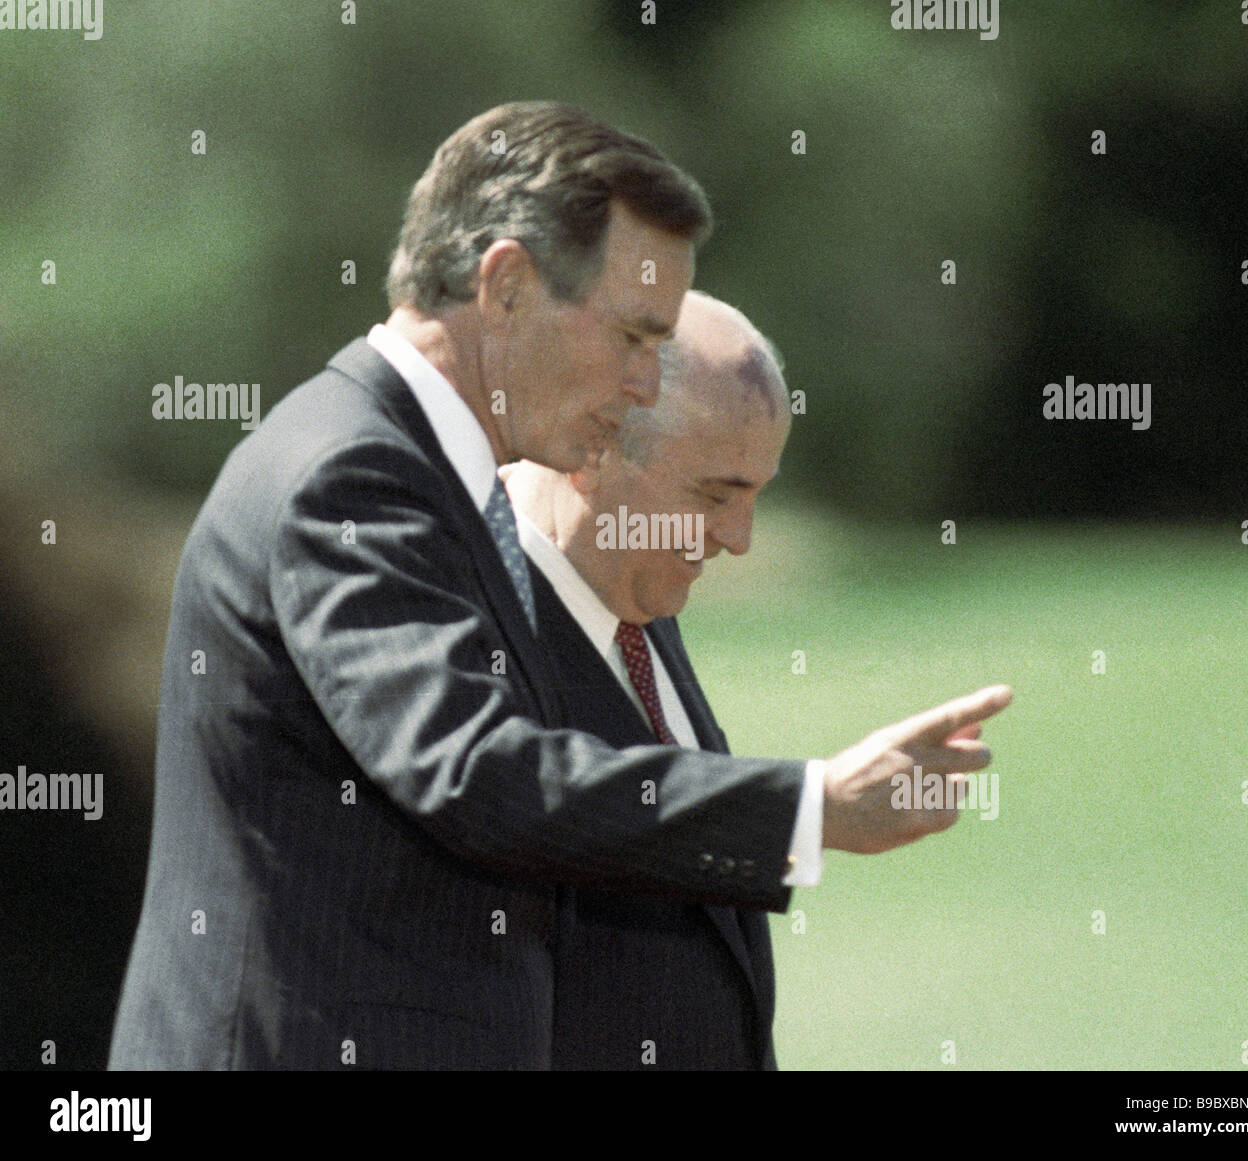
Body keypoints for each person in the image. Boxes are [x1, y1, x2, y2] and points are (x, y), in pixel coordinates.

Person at [109, 101, 1010, 1070]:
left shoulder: (432, 481)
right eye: (632, 337)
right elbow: (474, 772)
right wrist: (811, 807)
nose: (644, 384)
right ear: (505, 286)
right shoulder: (352, 472)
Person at [505, 290, 794, 1068]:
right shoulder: (464, 641)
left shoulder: (638, 594)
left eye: (756, 495)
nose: (740, 538)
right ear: (592, 450)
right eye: (714, 495)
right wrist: (814, 811)